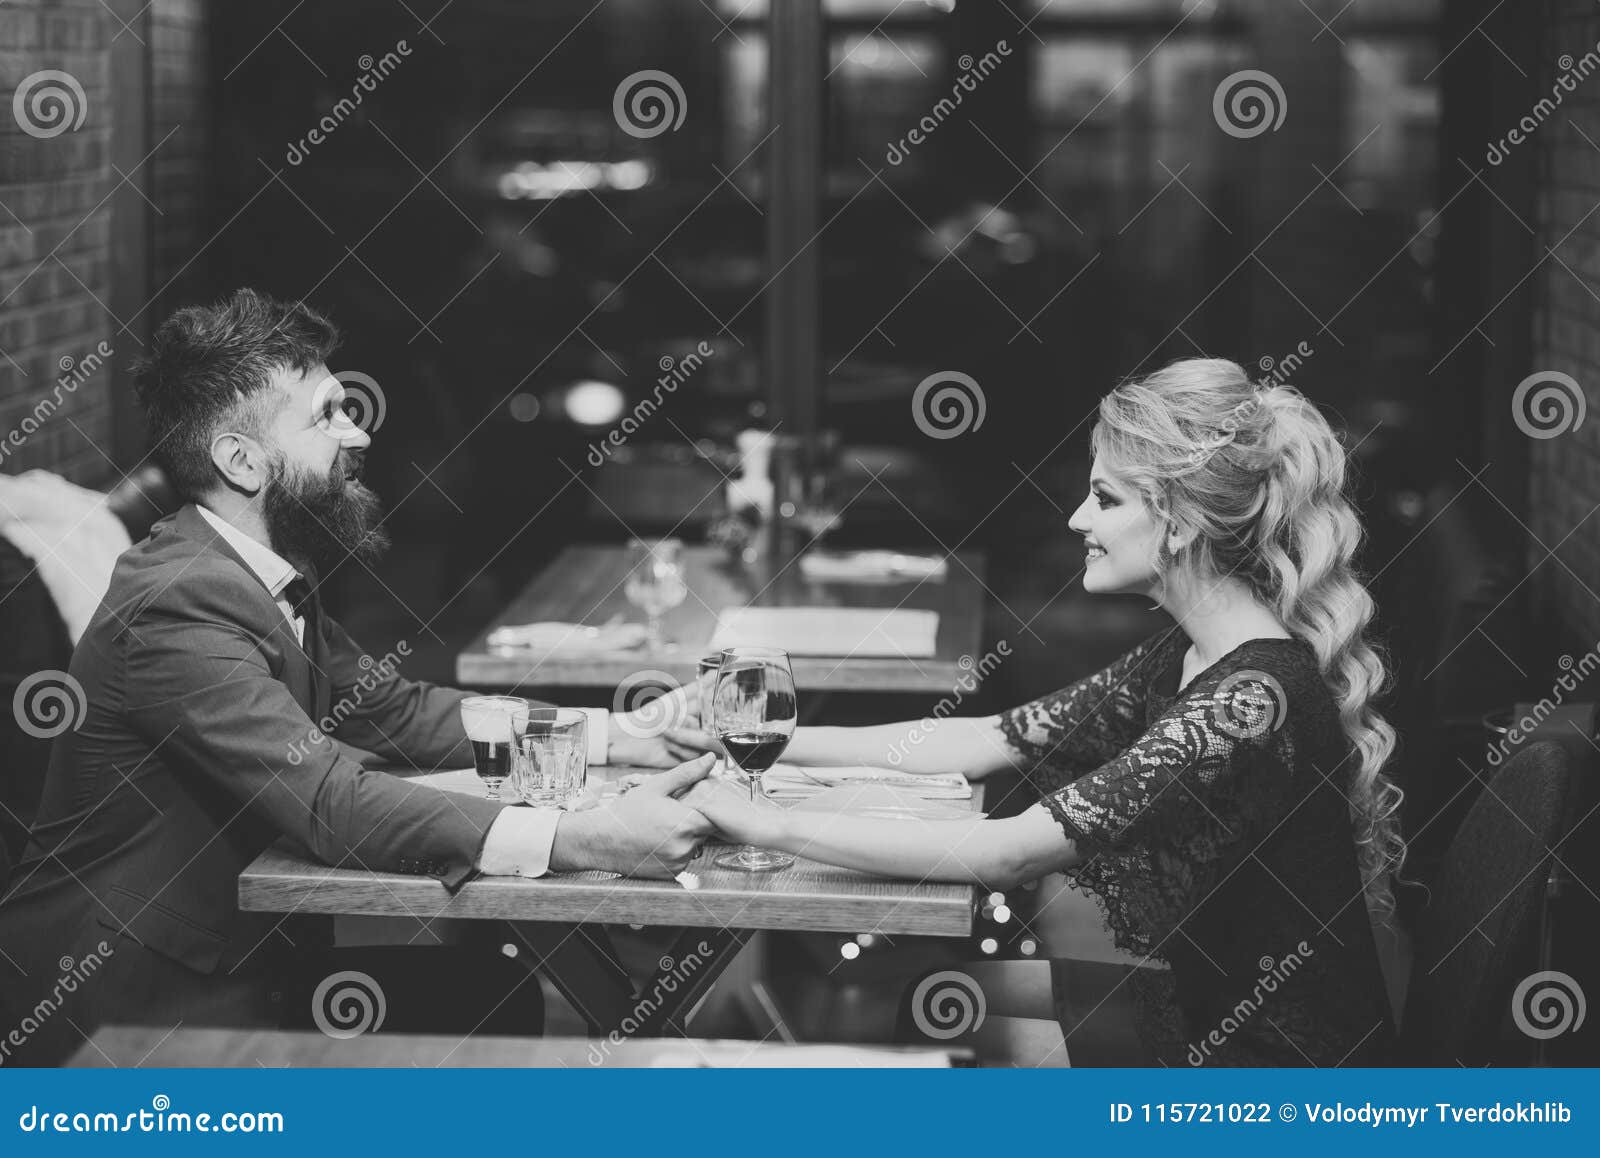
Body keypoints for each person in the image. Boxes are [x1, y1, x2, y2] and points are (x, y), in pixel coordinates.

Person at [0, 289, 711, 1065]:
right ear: (241, 461)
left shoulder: (259, 573)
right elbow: (331, 800)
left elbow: (398, 711)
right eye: (327, 415)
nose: (359, 430)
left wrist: (623, 734)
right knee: (488, 1010)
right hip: (131, 1014)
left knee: (492, 991)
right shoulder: (177, 604)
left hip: (245, 965)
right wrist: (584, 838)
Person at [674, 358, 1404, 1065]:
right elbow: (986, 739)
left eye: (1106, 499)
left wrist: (766, 823)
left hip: (1270, 1062)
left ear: (1179, 524)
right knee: (938, 1000)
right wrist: (750, 737)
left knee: (944, 1020)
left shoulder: (1251, 700)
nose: (1078, 517)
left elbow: (1008, 854)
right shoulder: (1195, 653)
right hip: (1207, 1006)